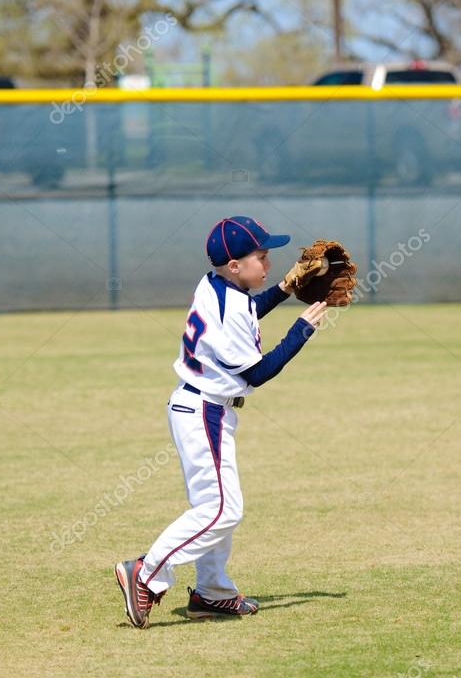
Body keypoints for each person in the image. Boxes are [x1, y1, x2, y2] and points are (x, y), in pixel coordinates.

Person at [114, 215, 330, 628]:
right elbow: (257, 374)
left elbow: (248, 309)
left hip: (203, 407)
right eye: (262, 256)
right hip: (204, 411)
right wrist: (301, 330)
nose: (267, 264)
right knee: (222, 510)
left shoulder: (216, 286)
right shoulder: (229, 303)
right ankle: (146, 572)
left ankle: (212, 592)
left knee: (214, 506)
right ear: (235, 266)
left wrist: (284, 289)